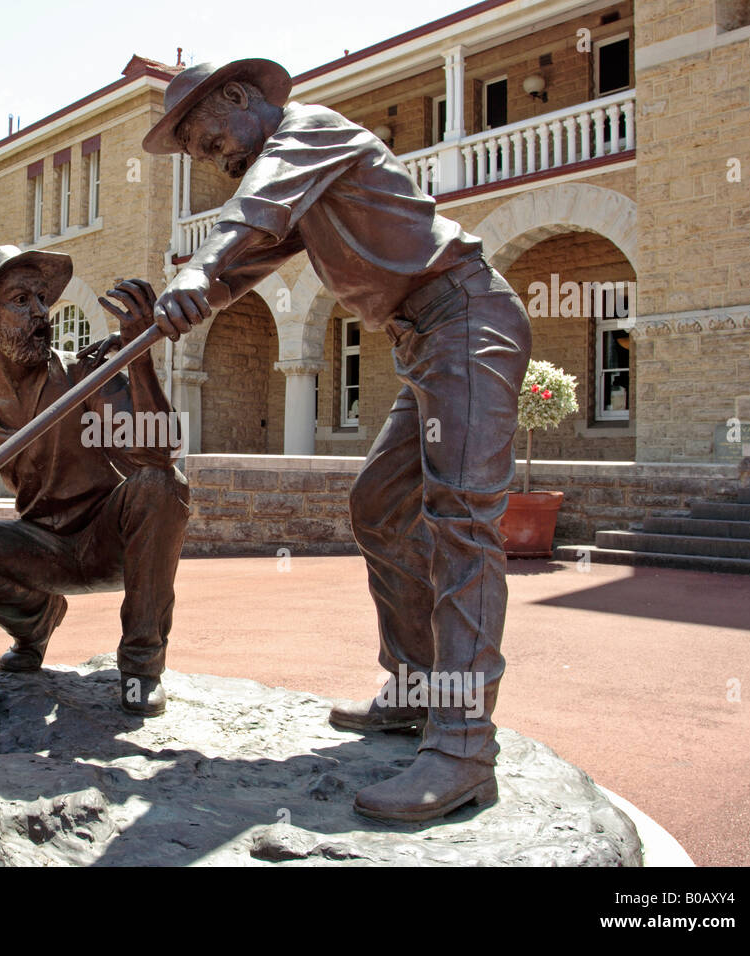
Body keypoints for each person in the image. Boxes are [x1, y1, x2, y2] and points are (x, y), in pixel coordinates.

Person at [144, 58, 531, 821]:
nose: (216, 159)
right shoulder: (294, 184)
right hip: (426, 340)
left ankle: (462, 747)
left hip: (466, 319)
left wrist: (202, 267)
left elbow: (251, 213)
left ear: (239, 96)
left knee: (461, 522)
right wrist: (194, 289)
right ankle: (418, 687)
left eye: (210, 137)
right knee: (381, 507)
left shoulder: (310, 132)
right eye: (199, 156)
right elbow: (246, 256)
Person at [0, 246, 190, 715]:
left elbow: (158, 454)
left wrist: (138, 357)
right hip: (42, 553)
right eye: (21, 300)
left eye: (42, 299)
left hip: (110, 545)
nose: (41, 313)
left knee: (163, 485)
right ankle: (35, 621)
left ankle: (142, 668)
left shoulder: (85, 372)